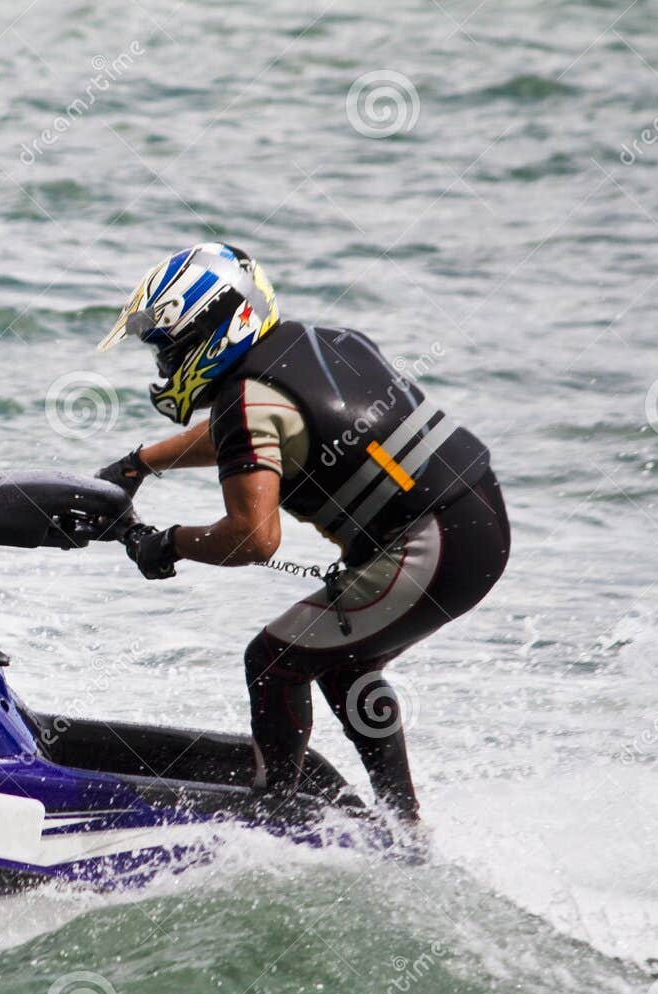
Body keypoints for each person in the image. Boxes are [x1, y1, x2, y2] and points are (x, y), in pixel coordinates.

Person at [94, 242, 510, 826]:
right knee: (342, 664)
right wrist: (140, 463)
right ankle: (405, 828)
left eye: (169, 346)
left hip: (432, 545)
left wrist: (167, 543)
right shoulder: (325, 342)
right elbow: (255, 436)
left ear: (215, 329)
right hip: (475, 520)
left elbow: (253, 539)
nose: (165, 362)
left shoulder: (246, 399)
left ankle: (274, 818)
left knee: (273, 660)